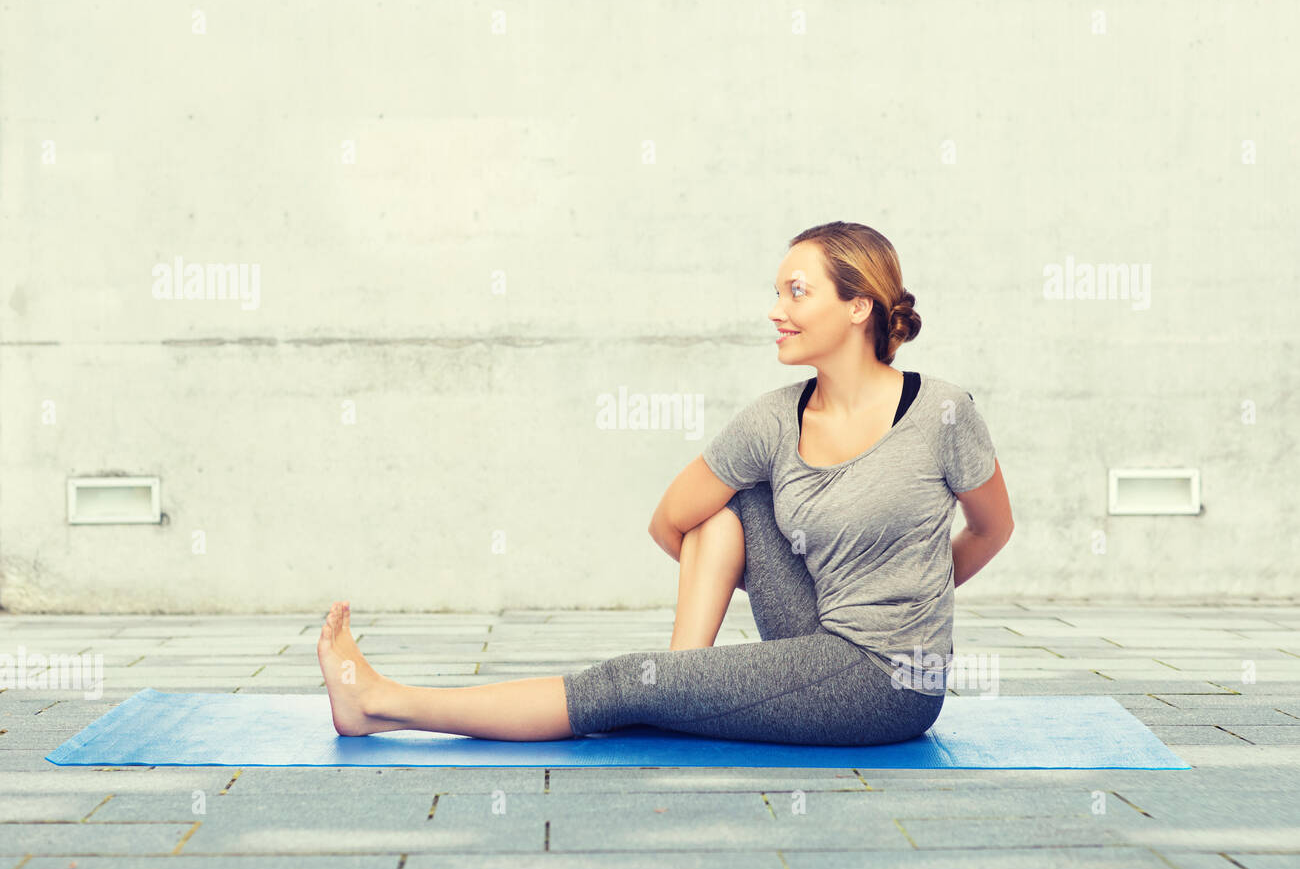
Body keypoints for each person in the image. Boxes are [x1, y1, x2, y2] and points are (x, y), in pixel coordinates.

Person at [317, 221, 1014, 744]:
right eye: (776, 292)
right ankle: (682, 681)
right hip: (815, 630)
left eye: (797, 292)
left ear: (858, 306)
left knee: (623, 684)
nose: (777, 308)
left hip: (891, 680)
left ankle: (381, 702)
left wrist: (915, 592)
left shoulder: (942, 412)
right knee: (728, 505)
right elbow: (670, 522)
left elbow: (992, 528)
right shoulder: (773, 419)